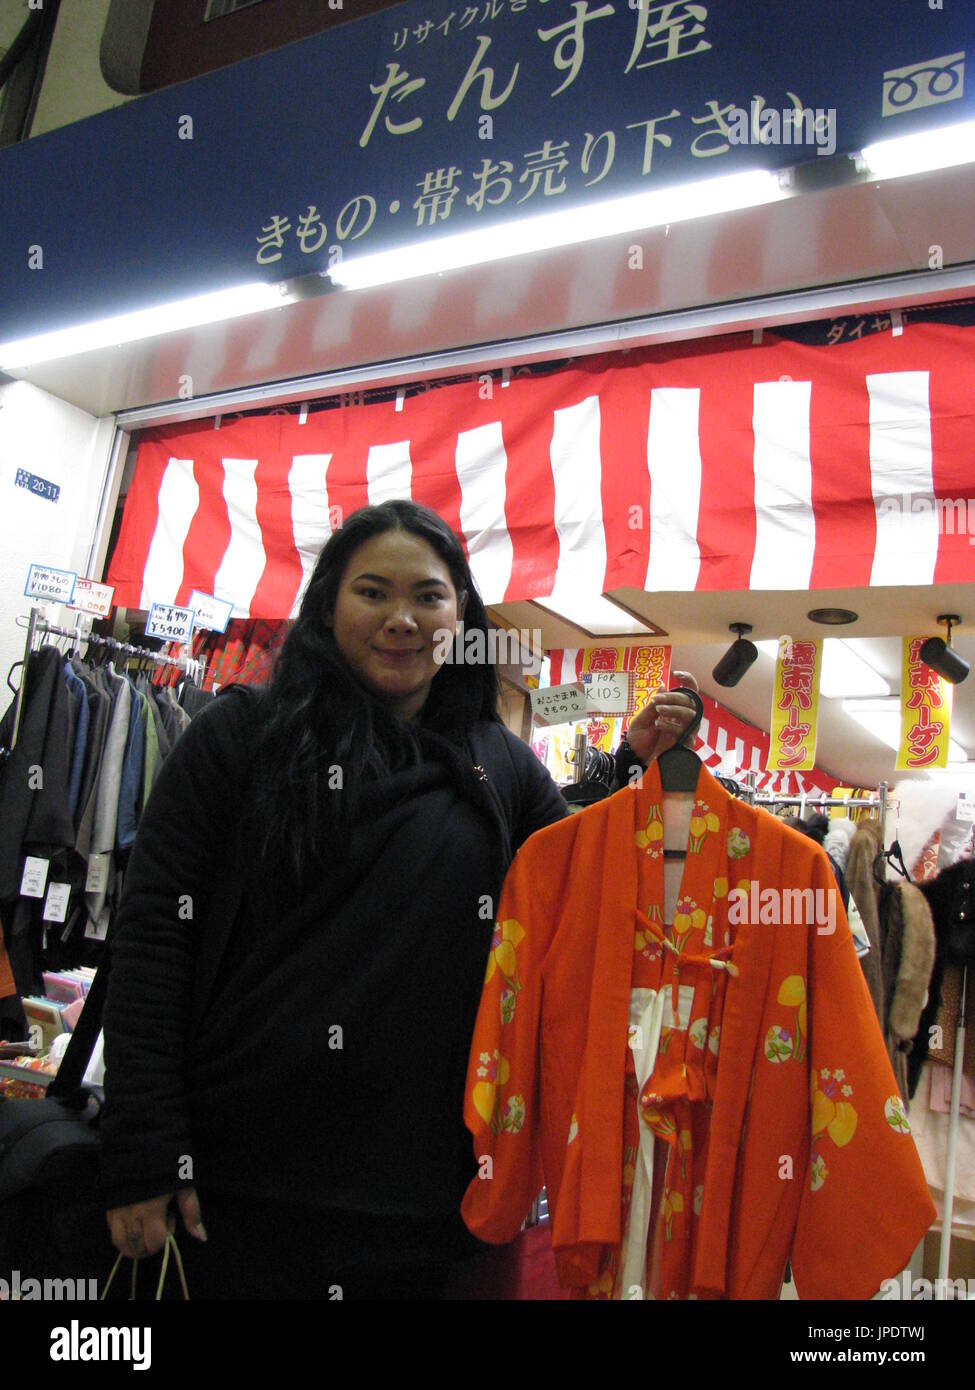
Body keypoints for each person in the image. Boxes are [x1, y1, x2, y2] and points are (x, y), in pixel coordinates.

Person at [101, 499, 699, 1299]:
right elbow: (152, 936)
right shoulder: (242, 736)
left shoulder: (498, 764)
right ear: (327, 606)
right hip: (240, 1183)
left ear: (462, 616)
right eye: (372, 592)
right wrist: (144, 1146)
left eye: (428, 596)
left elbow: (588, 882)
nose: (401, 620)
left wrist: (639, 774)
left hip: (434, 1201)